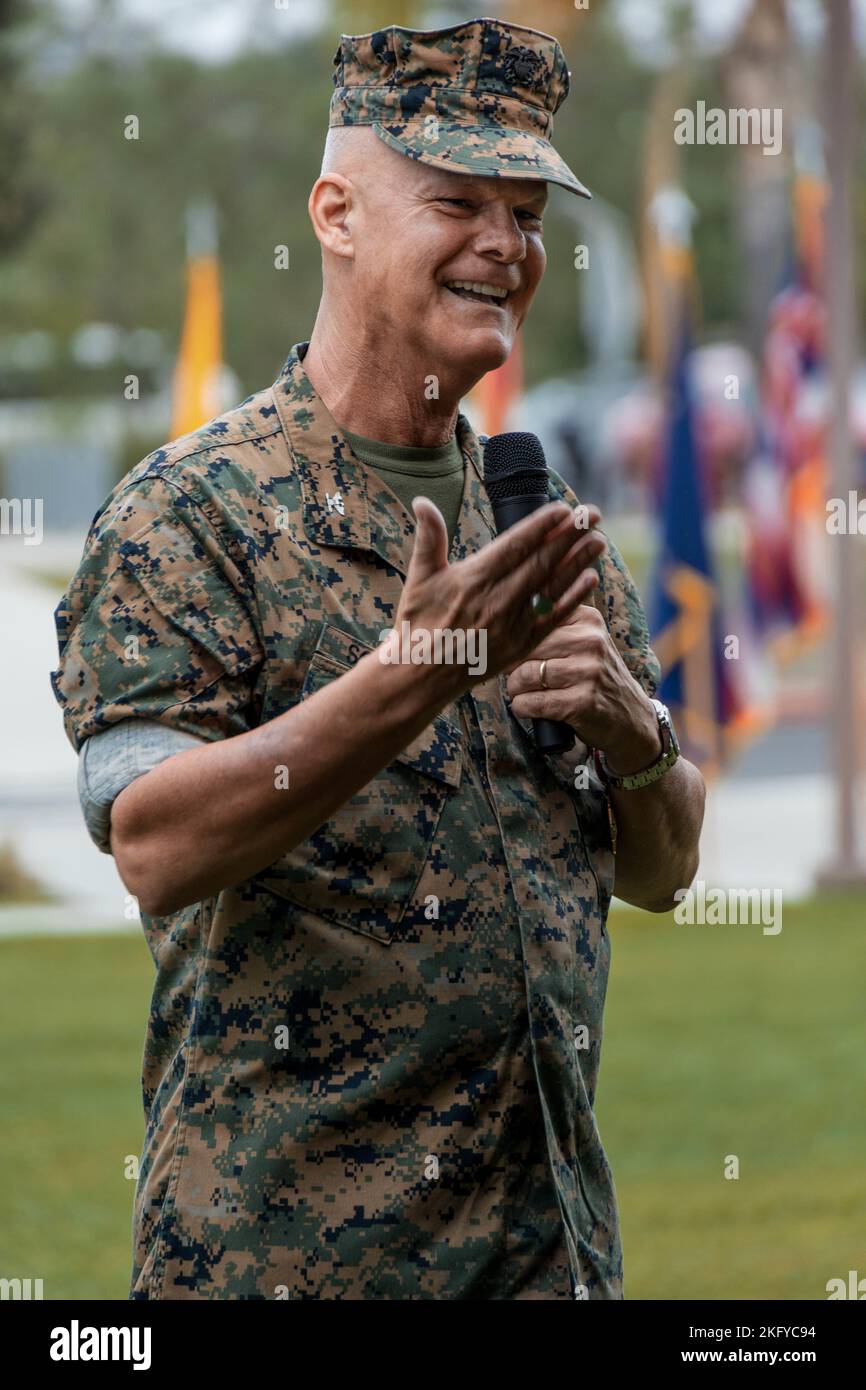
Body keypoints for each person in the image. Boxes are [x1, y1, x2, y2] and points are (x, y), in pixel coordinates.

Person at [51, 17, 705, 1300]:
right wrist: (415, 670)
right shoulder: (189, 516)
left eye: (523, 213)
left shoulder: (532, 517)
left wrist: (637, 739)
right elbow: (154, 844)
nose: (504, 246)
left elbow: (667, 868)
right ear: (335, 215)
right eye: (456, 200)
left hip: (545, 1266)